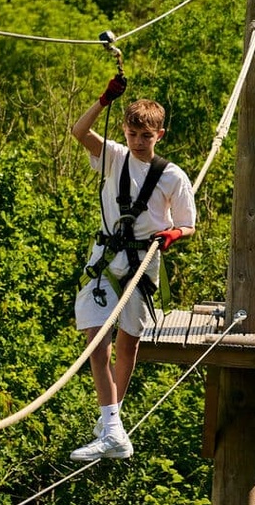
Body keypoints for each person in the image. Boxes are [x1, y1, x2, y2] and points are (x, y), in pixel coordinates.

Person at [68, 75, 196, 461]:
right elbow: (79, 131)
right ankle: (111, 428)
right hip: (106, 259)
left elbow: (188, 223)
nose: (140, 141)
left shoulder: (172, 176)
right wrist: (105, 99)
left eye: (147, 135)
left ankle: (111, 424)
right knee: (96, 342)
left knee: (128, 345)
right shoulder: (113, 156)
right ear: (126, 130)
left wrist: (173, 235)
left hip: (142, 263)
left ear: (161, 134)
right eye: (134, 132)